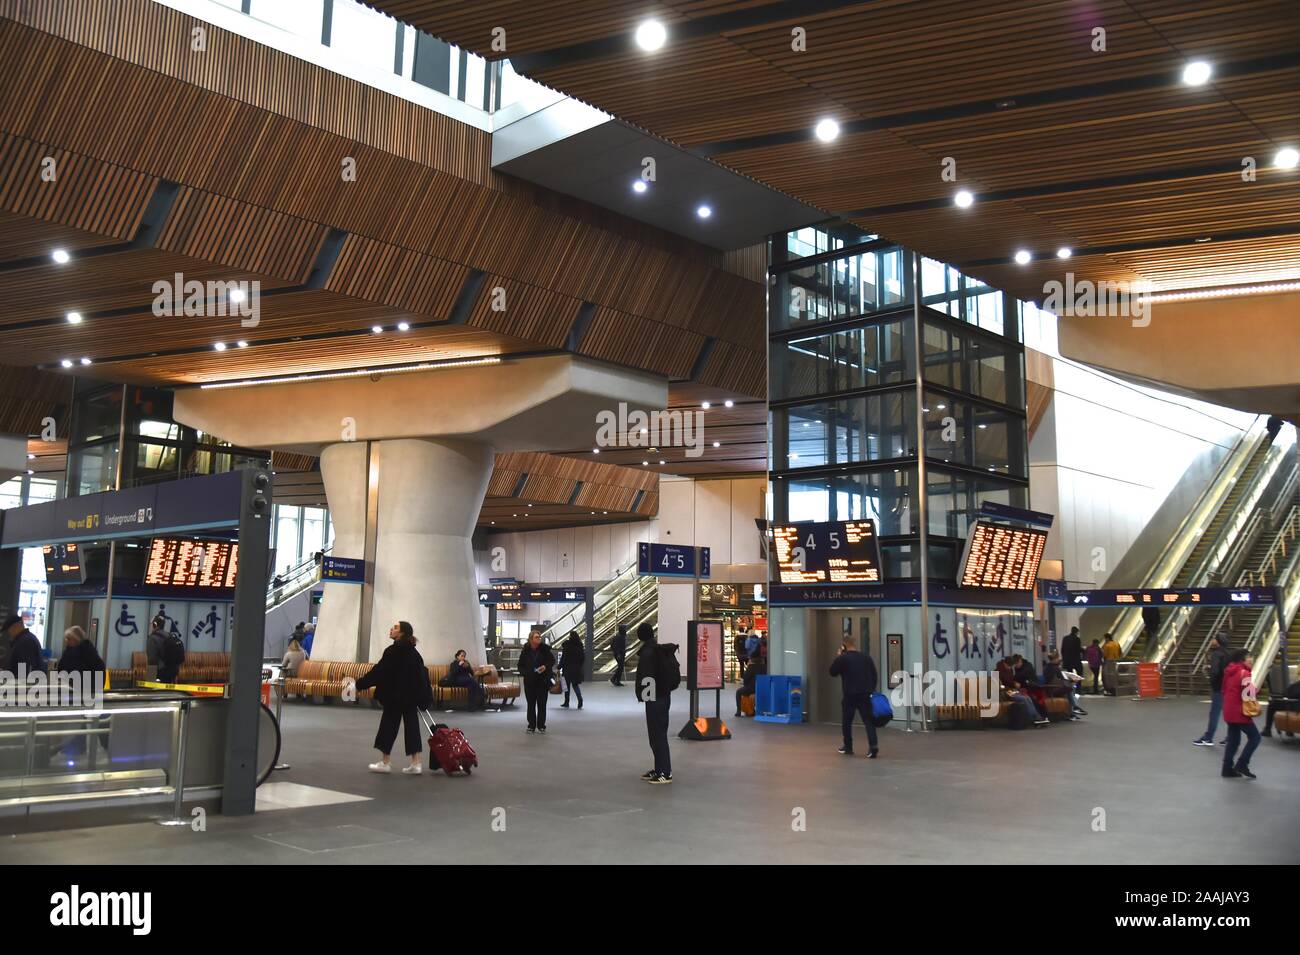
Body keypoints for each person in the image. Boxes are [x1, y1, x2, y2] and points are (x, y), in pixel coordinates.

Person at [352, 621, 433, 775]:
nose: (391, 629)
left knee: (388, 727)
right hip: (410, 697)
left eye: (395, 628)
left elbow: (379, 672)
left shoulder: (392, 651)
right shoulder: (414, 653)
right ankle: (416, 763)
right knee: (412, 728)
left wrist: (360, 684)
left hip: (394, 697)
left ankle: (385, 762)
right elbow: (421, 677)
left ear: (402, 633)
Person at [634, 622, 679, 784]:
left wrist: (646, 698)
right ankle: (659, 768)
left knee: (657, 734)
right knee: (657, 734)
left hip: (655, 699)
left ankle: (665, 772)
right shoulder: (657, 649)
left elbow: (647, 677)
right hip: (663, 696)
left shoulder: (648, 653)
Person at [829, 635, 879, 757]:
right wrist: (870, 689)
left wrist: (839, 656)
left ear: (844, 645)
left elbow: (832, 672)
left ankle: (848, 746)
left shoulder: (843, 658)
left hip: (850, 694)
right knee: (868, 721)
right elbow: (874, 675)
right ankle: (873, 746)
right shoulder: (866, 657)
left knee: (847, 721)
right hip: (865, 694)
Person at [1220, 650, 1261, 779]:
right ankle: (1242, 764)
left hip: (1229, 711)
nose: (1251, 660)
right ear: (1242, 659)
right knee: (1255, 737)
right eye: (1249, 657)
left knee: (1233, 740)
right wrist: (1255, 689)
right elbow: (1249, 694)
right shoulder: (1244, 673)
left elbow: (1224, 690)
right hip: (1240, 712)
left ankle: (1226, 769)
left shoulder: (1229, 672)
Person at [517, 629, 556, 734]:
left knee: (542, 704)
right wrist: (526, 673)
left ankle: (541, 725)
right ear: (531, 639)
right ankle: (531, 725)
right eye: (536, 637)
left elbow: (552, 661)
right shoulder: (525, 651)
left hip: (542, 681)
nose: (539, 639)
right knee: (531, 704)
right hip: (530, 682)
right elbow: (520, 665)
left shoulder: (545, 650)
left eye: (539, 637)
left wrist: (545, 666)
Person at [1194, 633, 1229, 746]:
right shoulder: (1228, 653)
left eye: (1214, 639)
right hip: (1228, 687)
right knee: (1228, 713)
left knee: (1214, 713)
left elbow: (1215, 671)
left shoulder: (1216, 654)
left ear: (1218, 641)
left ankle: (1208, 737)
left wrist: (1212, 680)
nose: (1212, 640)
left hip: (1218, 688)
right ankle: (1230, 737)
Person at [997, 656, 1048, 725]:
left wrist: (1014, 684)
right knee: (1023, 698)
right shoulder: (997, 672)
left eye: (1011, 666)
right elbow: (1000, 685)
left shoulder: (1010, 670)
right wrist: (1011, 685)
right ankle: (1034, 718)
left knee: (1027, 697)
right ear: (1005, 664)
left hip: (1011, 690)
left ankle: (1037, 716)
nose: (1010, 667)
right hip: (1005, 692)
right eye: (1009, 666)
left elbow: (1011, 681)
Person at [1043, 650, 1087, 719]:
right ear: (1055, 659)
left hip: (1052, 687)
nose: (1059, 660)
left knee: (1069, 690)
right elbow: (1062, 678)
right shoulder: (1055, 668)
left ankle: (1072, 711)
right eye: (1058, 658)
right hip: (1054, 688)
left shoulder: (1047, 668)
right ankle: (1074, 708)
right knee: (1069, 689)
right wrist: (1072, 680)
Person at [734, 646, 765, 717]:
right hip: (762, 688)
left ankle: (738, 711)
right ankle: (752, 709)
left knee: (739, 692)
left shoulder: (751, 667)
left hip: (751, 688)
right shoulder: (764, 666)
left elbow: (745, 678)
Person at [560, 630, 585, 709]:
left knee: (565, 686)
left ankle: (566, 702)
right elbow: (582, 658)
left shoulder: (567, 645)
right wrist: (579, 666)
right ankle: (580, 699)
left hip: (567, 668)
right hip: (576, 668)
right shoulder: (579, 646)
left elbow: (563, 658)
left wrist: (559, 666)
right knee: (575, 685)